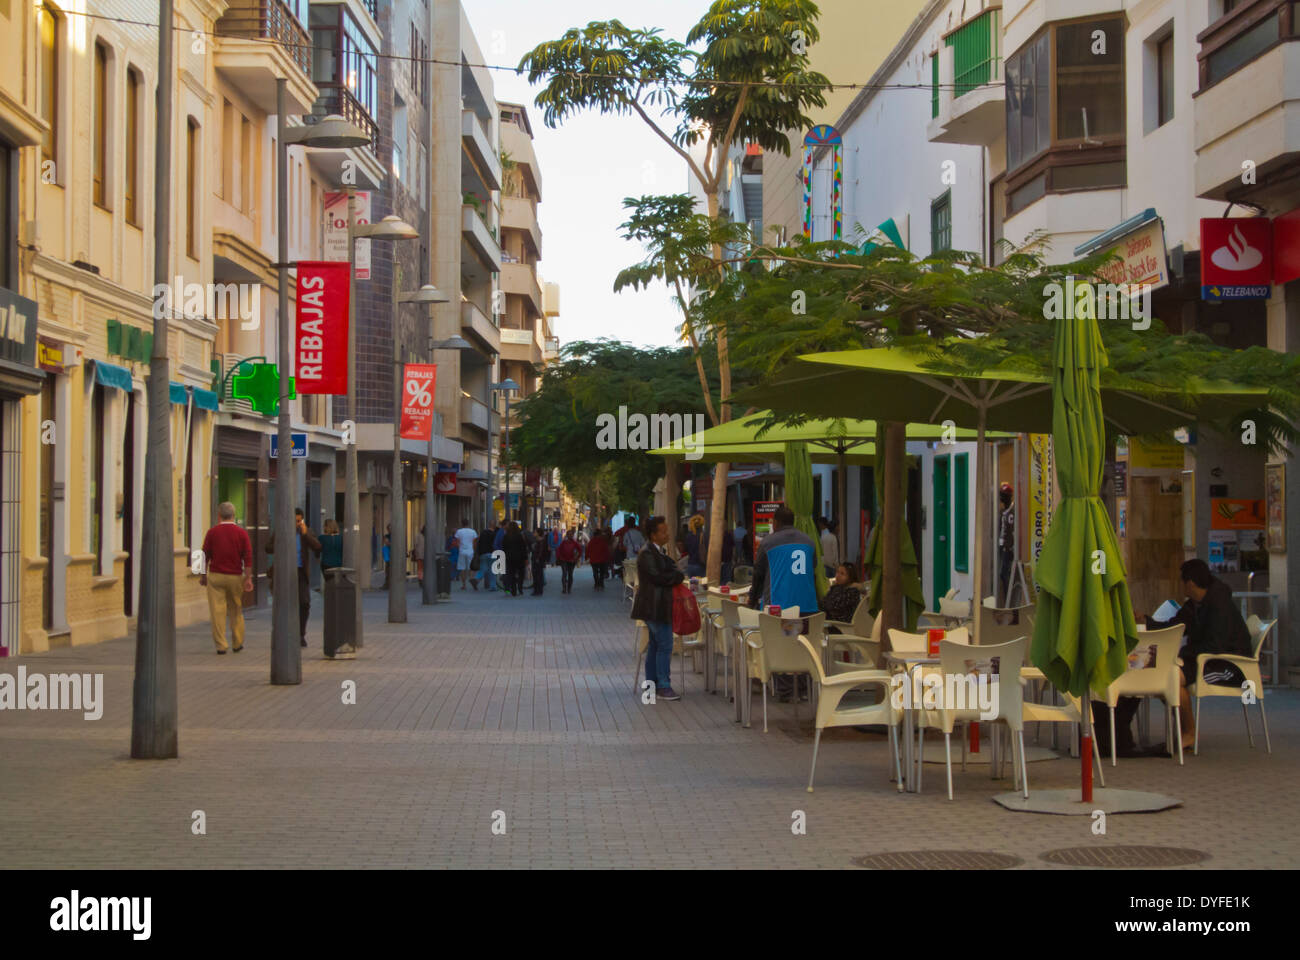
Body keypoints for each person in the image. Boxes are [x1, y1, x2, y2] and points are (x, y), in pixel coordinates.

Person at [1146, 558, 1253, 751]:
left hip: (1229, 665)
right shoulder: (1194, 604)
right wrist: (1145, 621)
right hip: (1204, 658)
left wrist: (1183, 655)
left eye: (1182, 582)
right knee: (1166, 676)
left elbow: (1215, 646)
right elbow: (1174, 626)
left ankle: (1189, 733)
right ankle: (1183, 730)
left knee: (1173, 676)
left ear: (1190, 584)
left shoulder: (1220, 606)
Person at [748, 505, 819, 701]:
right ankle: (803, 688)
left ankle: (787, 690)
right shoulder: (809, 542)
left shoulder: (768, 543)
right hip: (807, 605)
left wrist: (753, 600)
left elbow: (758, 574)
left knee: (781, 644)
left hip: (781, 606)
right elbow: (812, 568)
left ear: (775, 522)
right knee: (803, 645)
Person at [631, 516, 685, 701]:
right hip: (654, 607)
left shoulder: (658, 552)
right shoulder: (647, 554)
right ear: (653, 535)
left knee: (655, 645)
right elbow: (659, 577)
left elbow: (671, 570)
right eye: (663, 531)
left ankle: (652, 685)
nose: (667, 534)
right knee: (664, 645)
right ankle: (663, 685)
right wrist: (675, 576)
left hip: (657, 606)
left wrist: (674, 573)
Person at [200, 502, 254, 655]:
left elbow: (204, 555)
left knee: (217, 612)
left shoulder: (212, 532)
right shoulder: (241, 533)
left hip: (216, 576)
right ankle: (237, 643)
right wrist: (248, 578)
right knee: (236, 609)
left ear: (219, 515)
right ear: (234, 515)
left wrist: (203, 576)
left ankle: (221, 645)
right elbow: (248, 558)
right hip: (235, 576)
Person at [265, 507, 322, 648]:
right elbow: (268, 547)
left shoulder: (306, 532)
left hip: (300, 572)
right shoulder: (280, 531)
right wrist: (281, 540)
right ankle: (282, 634)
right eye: (294, 521)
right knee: (282, 604)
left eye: (298, 521)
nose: (296, 524)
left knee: (304, 603)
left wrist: (305, 534)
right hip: (283, 572)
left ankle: (300, 634)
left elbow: (317, 547)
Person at [997, 482, 1015, 606]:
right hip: (1004, 548)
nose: (1002, 498)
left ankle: (1011, 602)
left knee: (1005, 574)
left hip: (1010, 549)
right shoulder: (1003, 511)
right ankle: (1008, 602)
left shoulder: (1012, 511)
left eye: (1004, 495)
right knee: (1003, 575)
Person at [502, 521, 528, 597]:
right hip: (519, 558)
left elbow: (504, 547)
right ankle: (520, 587)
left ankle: (513, 590)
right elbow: (523, 548)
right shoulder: (519, 536)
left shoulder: (506, 536)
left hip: (509, 558)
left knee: (511, 573)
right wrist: (525, 558)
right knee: (521, 573)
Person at [453, 518, 478, 590]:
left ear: (461, 524)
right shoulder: (473, 531)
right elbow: (474, 542)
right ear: (468, 523)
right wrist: (474, 549)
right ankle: (471, 577)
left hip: (462, 551)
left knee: (462, 568)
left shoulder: (459, 531)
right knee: (472, 567)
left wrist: (459, 548)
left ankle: (464, 585)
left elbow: (457, 542)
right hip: (470, 551)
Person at [557, 528, 581, 594]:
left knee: (570, 574)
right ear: (567, 535)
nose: (570, 535)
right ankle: (564, 588)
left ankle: (569, 588)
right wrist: (560, 557)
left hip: (571, 561)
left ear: (573, 535)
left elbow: (580, 550)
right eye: (569, 534)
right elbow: (559, 550)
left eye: (571, 534)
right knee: (564, 574)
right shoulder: (563, 542)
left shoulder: (575, 543)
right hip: (564, 560)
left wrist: (576, 558)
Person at [476, 520, 498, 591]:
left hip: (483, 554)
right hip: (492, 553)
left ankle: (476, 578)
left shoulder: (483, 533)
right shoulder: (495, 534)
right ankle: (493, 586)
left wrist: (478, 553)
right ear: (494, 526)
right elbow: (496, 544)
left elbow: (478, 543)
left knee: (483, 568)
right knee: (492, 571)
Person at [530, 528, 550, 595]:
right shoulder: (537, 541)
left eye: (535, 532)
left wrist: (538, 558)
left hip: (538, 560)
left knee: (537, 575)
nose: (534, 533)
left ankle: (537, 590)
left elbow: (540, 552)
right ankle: (538, 589)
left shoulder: (541, 541)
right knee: (538, 575)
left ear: (538, 533)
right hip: (537, 559)